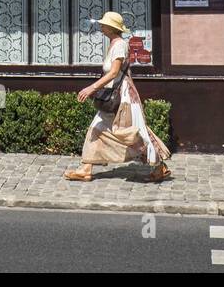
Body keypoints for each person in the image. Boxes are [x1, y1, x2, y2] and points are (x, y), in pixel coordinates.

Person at [64, 12, 172, 183]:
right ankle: (86, 168)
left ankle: (159, 166)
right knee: (96, 129)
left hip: (123, 98)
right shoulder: (114, 44)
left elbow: (114, 72)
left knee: (134, 132)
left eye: (104, 24)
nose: (101, 27)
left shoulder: (120, 45)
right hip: (113, 95)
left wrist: (92, 87)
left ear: (111, 28)